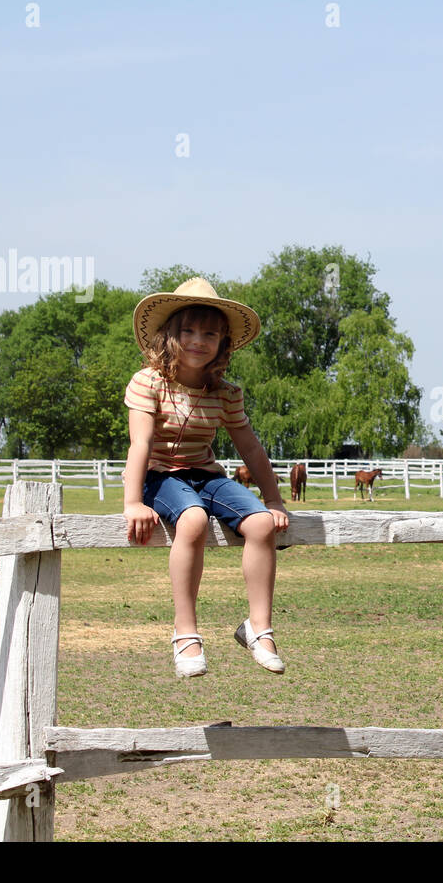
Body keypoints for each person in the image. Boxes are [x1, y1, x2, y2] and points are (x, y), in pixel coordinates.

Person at [123, 277, 290, 678]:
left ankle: (259, 627)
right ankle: (185, 632)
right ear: (170, 336)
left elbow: (250, 448)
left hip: (206, 475)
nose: (198, 340)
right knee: (193, 520)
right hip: (160, 476)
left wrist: (274, 499)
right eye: (189, 331)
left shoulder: (225, 393)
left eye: (210, 334)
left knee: (262, 524)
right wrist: (133, 503)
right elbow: (140, 445)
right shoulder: (149, 382)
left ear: (222, 343)